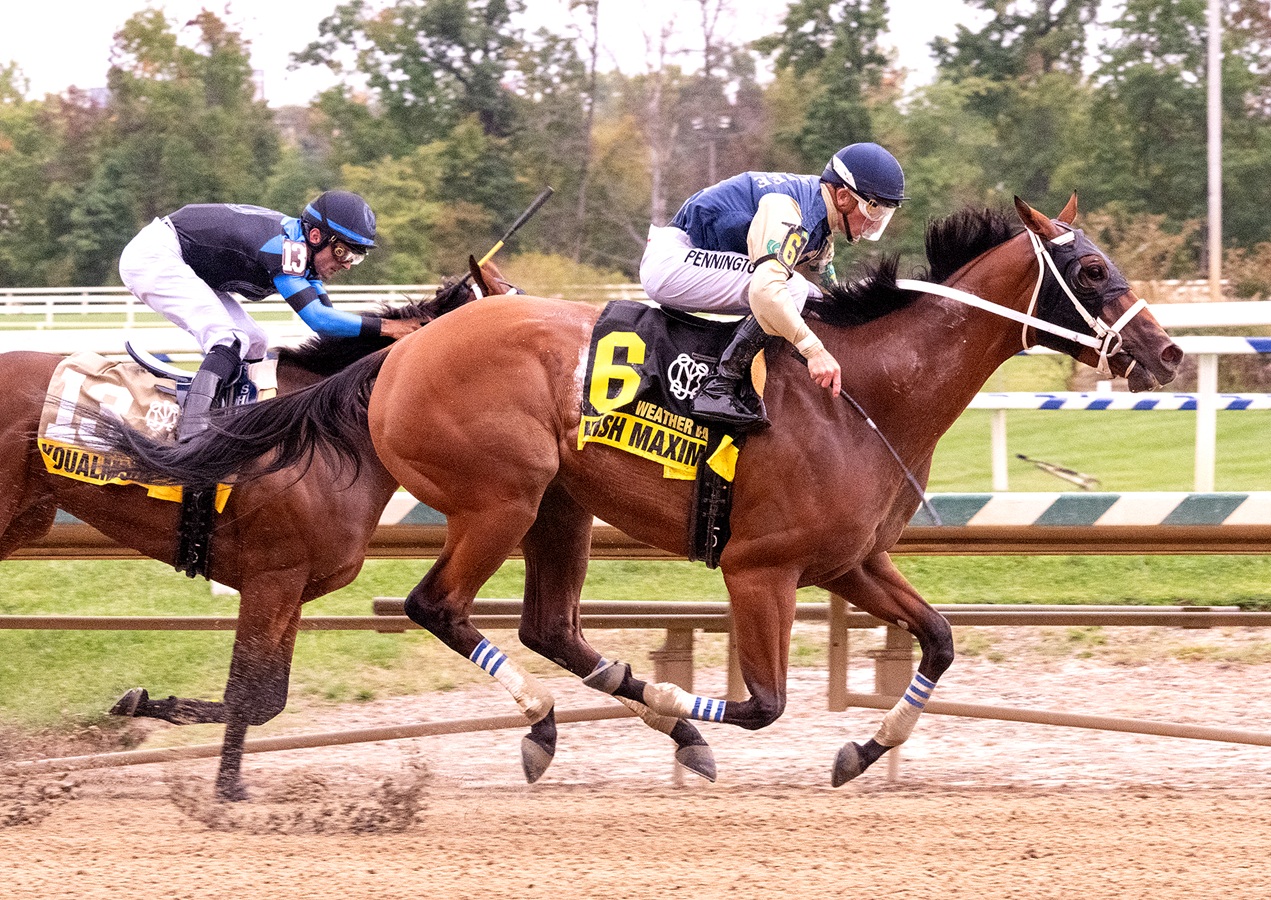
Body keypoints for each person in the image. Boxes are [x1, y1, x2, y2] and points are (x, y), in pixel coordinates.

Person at [639, 142, 906, 432]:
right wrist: (814, 351)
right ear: (843, 197)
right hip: (672, 261)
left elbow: (829, 296)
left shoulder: (820, 223)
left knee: (810, 297)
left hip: (687, 258)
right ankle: (719, 386)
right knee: (790, 290)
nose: (874, 222)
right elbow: (765, 290)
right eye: (874, 210)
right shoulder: (790, 210)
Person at [119, 190, 420, 441]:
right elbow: (316, 318)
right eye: (343, 252)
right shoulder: (287, 248)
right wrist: (388, 327)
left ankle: (233, 418)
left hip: (179, 257)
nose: (348, 264)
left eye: (357, 256)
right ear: (316, 235)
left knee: (255, 340)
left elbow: (328, 325)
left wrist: (381, 332)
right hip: (155, 254)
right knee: (228, 337)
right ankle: (193, 432)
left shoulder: (305, 257)